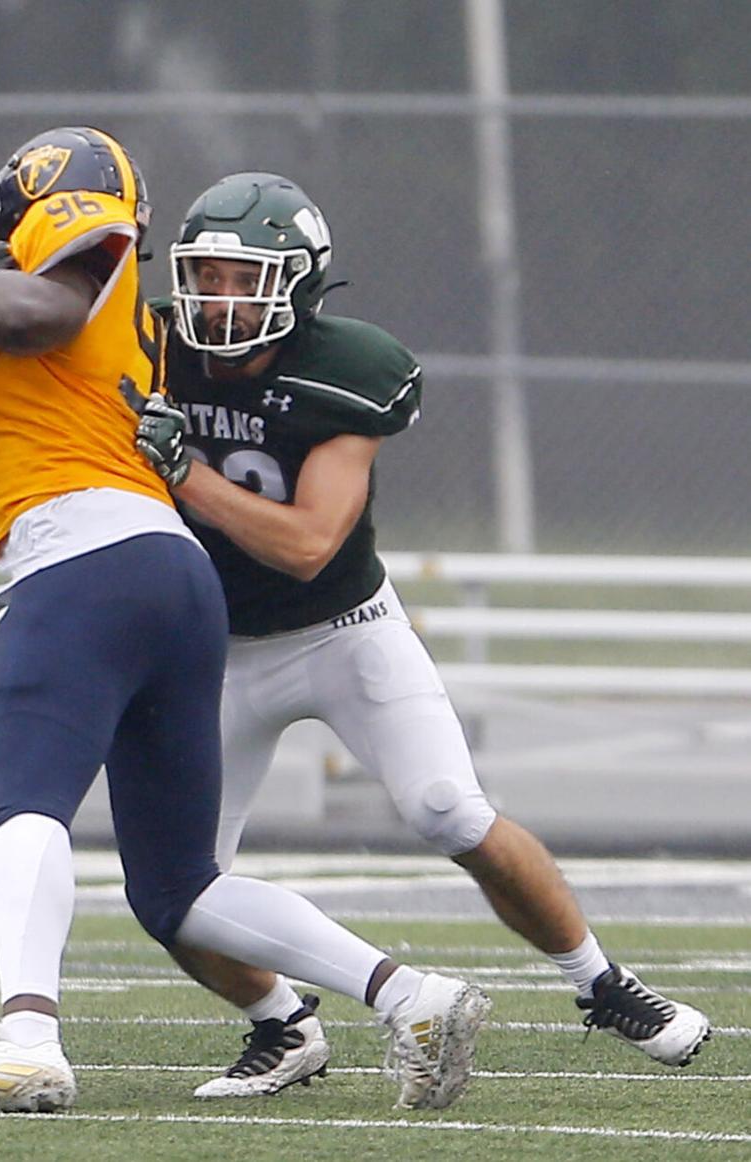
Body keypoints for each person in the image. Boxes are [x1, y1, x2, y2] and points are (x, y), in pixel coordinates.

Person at [0, 127, 489, 1116]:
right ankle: (409, 997)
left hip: (86, 558)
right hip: (169, 577)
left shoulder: (72, 269)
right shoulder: (64, 321)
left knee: (21, 806)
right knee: (178, 887)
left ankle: (27, 1036)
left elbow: (31, 307)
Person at [130, 170, 711, 1097]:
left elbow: (308, 546)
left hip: (341, 631)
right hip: (214, 650)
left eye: (247, 279)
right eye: (207, 275)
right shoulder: (145, 344)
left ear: (301, 286)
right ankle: (282, 1025)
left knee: (449, 808)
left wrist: (184, 474)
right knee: (176, 890)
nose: (222, 299)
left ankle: (602, 983)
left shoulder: (347, 369)